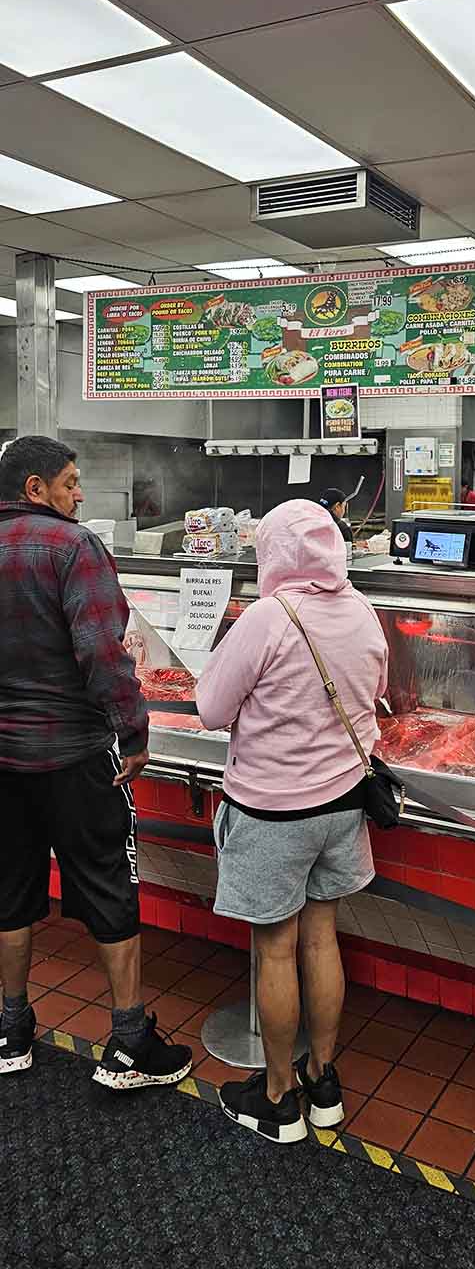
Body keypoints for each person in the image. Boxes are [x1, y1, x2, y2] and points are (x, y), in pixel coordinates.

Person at [0, 435, 192, 1089]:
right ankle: (132, 1041)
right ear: (36, 488)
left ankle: (11, 1028)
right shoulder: (73, 546)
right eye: (72, 481)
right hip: (76, 756)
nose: (80, 494)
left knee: (10, 891)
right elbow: (103, 656)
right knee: (110, 886)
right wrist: (134, 733)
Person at [196, 499, 388, 1145]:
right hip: (342, 807)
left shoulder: (268, 619)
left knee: (276, 948)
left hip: (274, 811)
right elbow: (376, 687)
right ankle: (323, 1082)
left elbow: (210, 708)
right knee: (322, 939)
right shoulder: (361, 611)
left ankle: (279, 1100)